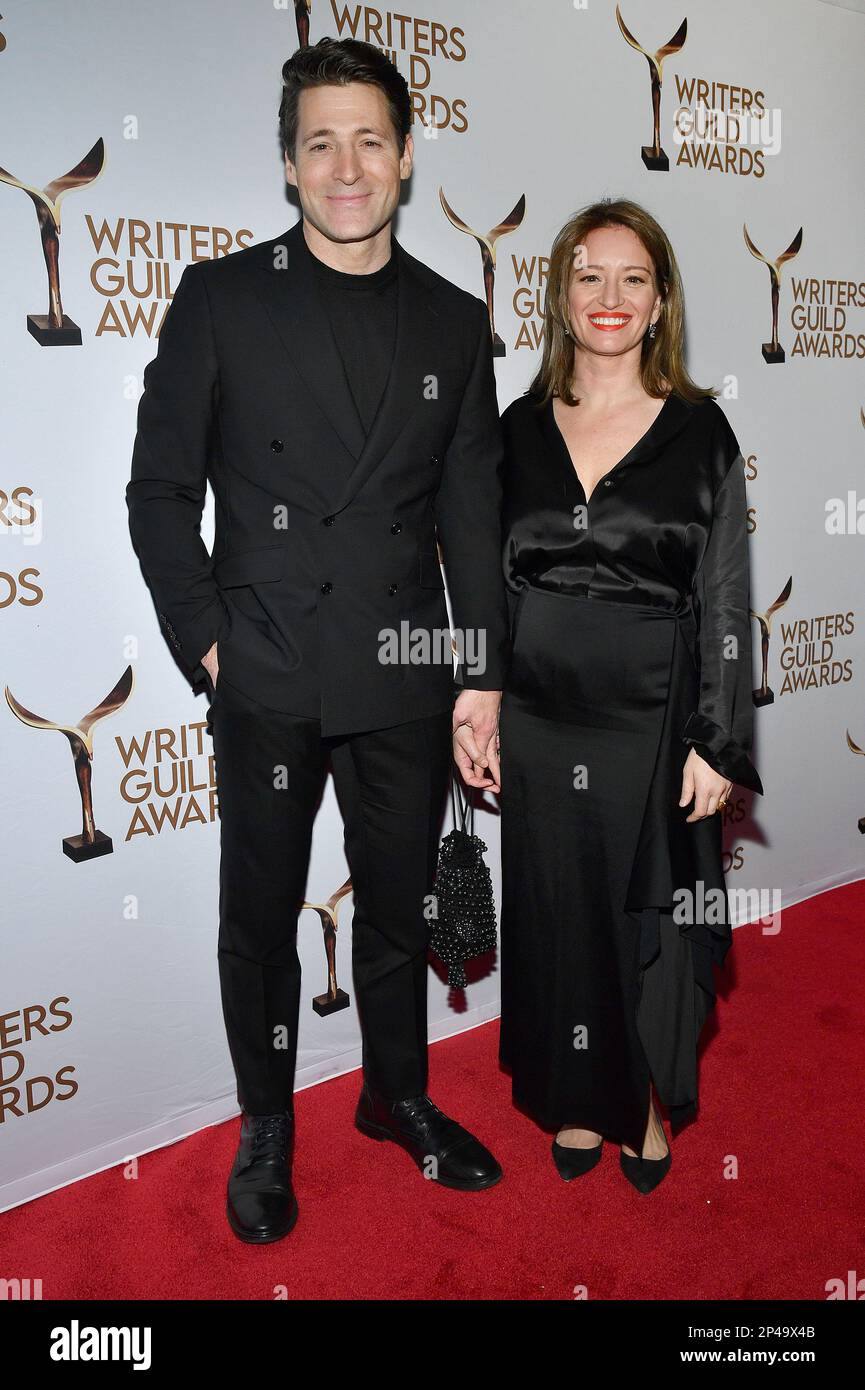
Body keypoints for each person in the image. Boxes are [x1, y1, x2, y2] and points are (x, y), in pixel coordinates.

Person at [126, 36, 509, 1243]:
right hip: (273, 669)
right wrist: (208, 643)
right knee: (263, 916)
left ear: (404, 154)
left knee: (395, 907)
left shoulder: (454, 324)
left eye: (370, 141)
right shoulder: (223, 300)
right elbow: (157, 493)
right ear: (289, 164)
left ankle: (396, 1097)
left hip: (401, 672)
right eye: (320, 143)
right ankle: (267, 1123)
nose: (347, 167)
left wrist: (478, 675)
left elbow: (470, 519)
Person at [497, 198, 763, 1194]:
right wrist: (474, 705)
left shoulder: (699, 432)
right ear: (561, 297)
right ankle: (575, 1096)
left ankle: (641, 1098)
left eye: (632, 279)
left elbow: (727, 595)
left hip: (652, 722)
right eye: (588, 276)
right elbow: (485, 585)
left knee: (639, 919)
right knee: (557, 913)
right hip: (533, 717)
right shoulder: (515, 429)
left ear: (659, 305)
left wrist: (716, 738)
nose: (609, 298)